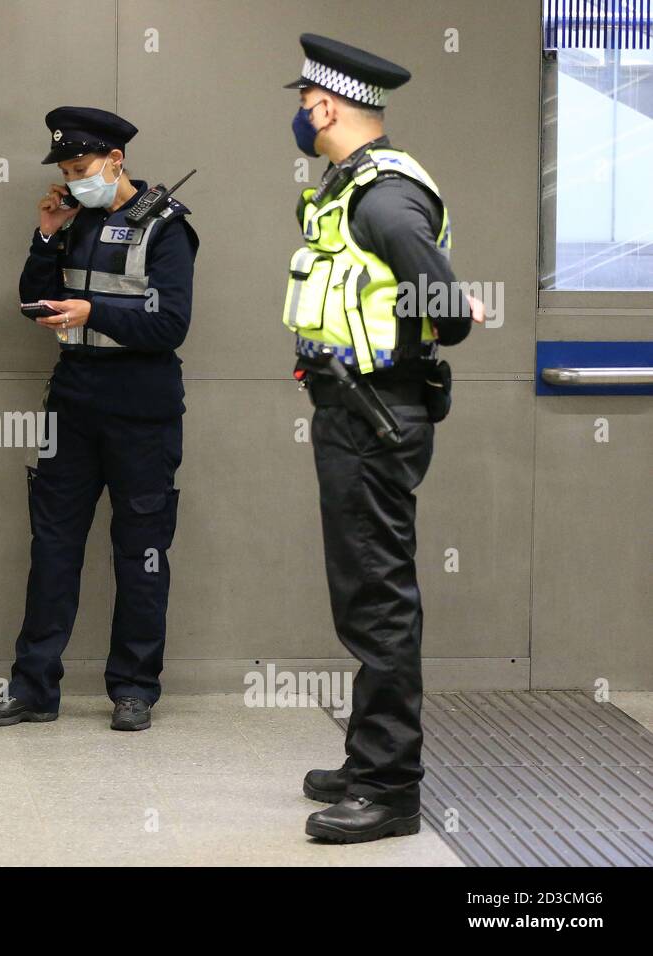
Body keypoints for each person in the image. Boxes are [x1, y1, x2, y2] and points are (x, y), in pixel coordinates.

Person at [279, 34, 484, 840]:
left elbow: (450, 311)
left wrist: (400, 351)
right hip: (352, 414)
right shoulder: (353, 185)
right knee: (365, 595)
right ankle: (369, 760)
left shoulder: (384, 197)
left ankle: (391, 790)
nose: (300, 115)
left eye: (303, 104)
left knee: (379, 602)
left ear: (327, 105)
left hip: (373, 418)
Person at [0, 107, 199, 732]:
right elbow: (31, 302)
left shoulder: (167, 227)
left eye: (80, 168)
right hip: (72, 403)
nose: (73, 181)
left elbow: (169, 324)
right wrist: (47, 234)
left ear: (114, 161)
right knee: (53, 547)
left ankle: (134, 689)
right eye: (66, 171)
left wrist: (89, 311)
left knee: (141, 551)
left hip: (142, 409)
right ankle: (33, 689)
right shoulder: (72, 219)